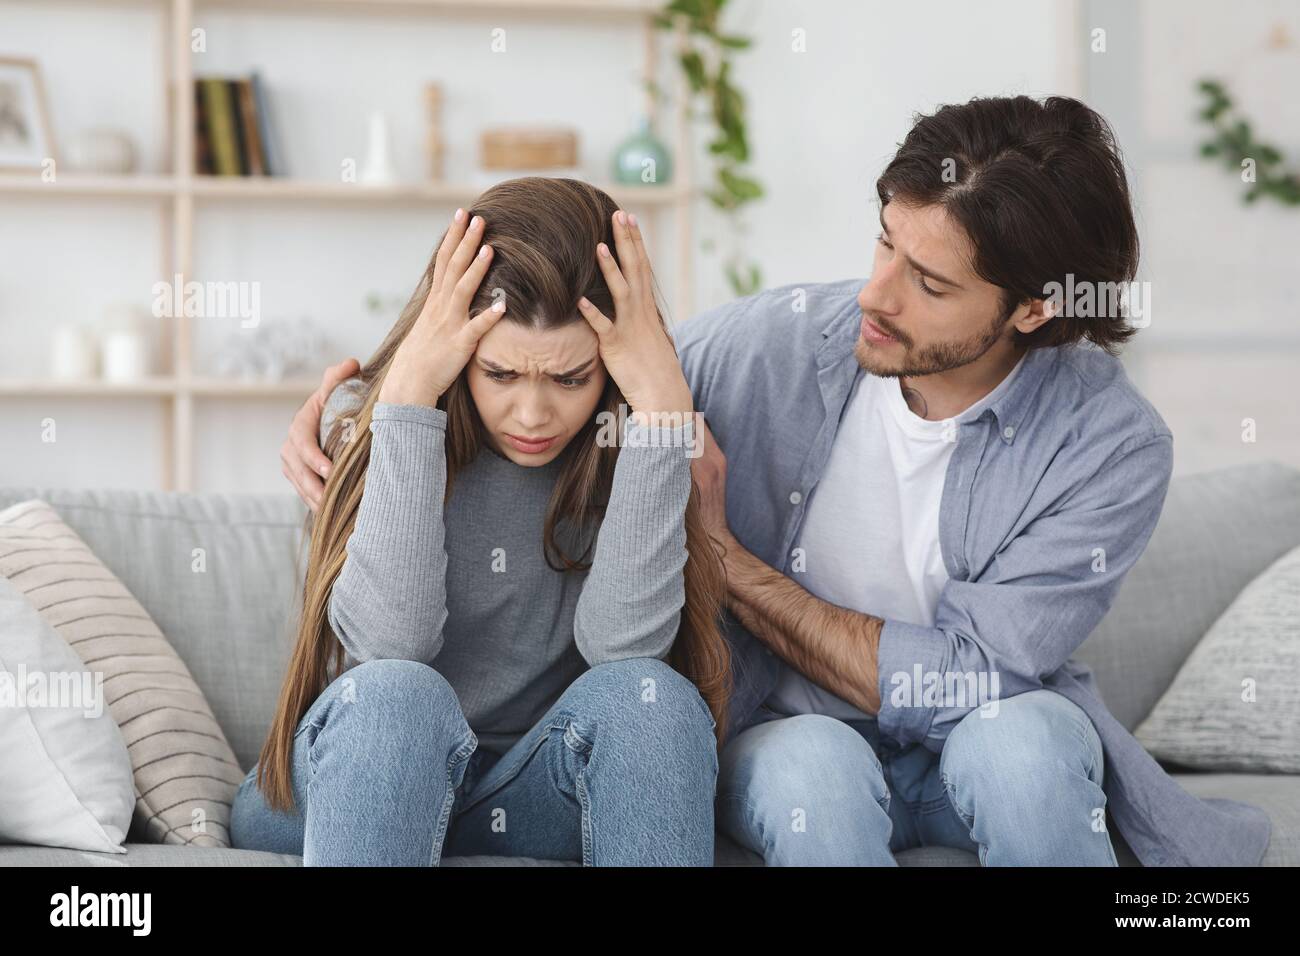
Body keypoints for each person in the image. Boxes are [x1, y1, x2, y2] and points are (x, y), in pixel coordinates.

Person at [283, 97, 1271, 867]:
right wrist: (364, 415)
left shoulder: (1109, 440)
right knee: (813, 768)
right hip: (789, 729)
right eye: (885, 241)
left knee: (1025, 748)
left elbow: (973, 678)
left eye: (928, 284)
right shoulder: (774, 340)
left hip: (987, 723)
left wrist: (723, 556)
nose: (873, 296)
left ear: (1032, 309)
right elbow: (586, 364)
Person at [232, 177, 728, 866]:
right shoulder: (382, 424)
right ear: (457, 351)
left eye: (569, 379)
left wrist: (662, 418)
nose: (532, 416)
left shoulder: (638, 445)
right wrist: (406, 400)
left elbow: (623, 650)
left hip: (527, 793)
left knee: (653, 701)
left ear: (611, 367)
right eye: (499, 374)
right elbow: (390, 642)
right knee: (401, 697)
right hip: (361, 780)